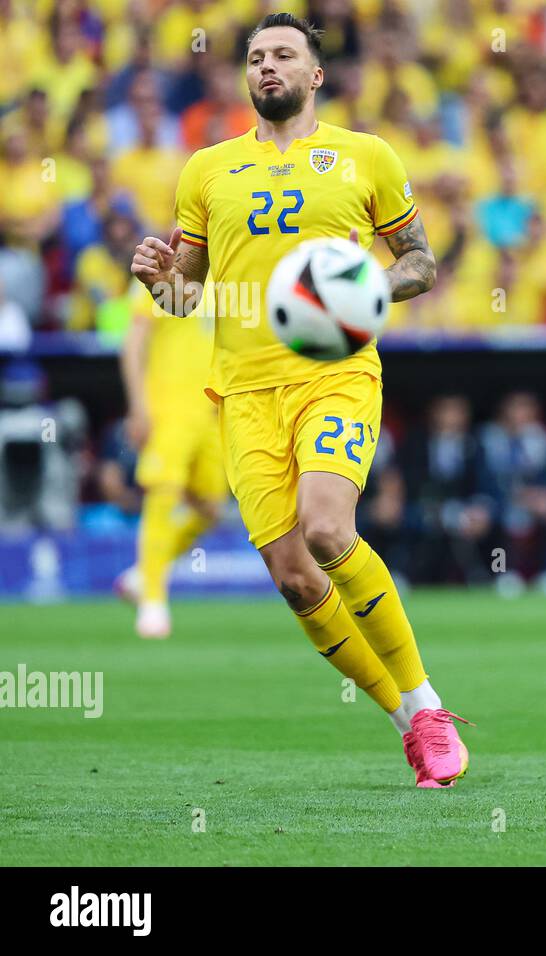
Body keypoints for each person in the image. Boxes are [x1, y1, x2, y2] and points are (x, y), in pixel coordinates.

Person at [128, 13, 468, 789]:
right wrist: (159, 282)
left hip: (335, 374)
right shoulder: (207, 170)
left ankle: (429, 705)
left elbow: (420, 261)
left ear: (315, 74)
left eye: (283, 54)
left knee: (326, 528)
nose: (266, 66)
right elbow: (185, 297)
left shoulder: (365, 156)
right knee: (294, 578)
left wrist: (362, 290)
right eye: (255, 57)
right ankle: (407, 723)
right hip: (244, 390)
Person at [113, 286, 227, 638]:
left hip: (210, 412)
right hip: (168, 410)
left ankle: (142, 575)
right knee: (163, 494)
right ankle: (153, 600)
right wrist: (138, 405)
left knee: (210, 507)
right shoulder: (161, 275)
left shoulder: (221, 278)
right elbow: (133, 344)